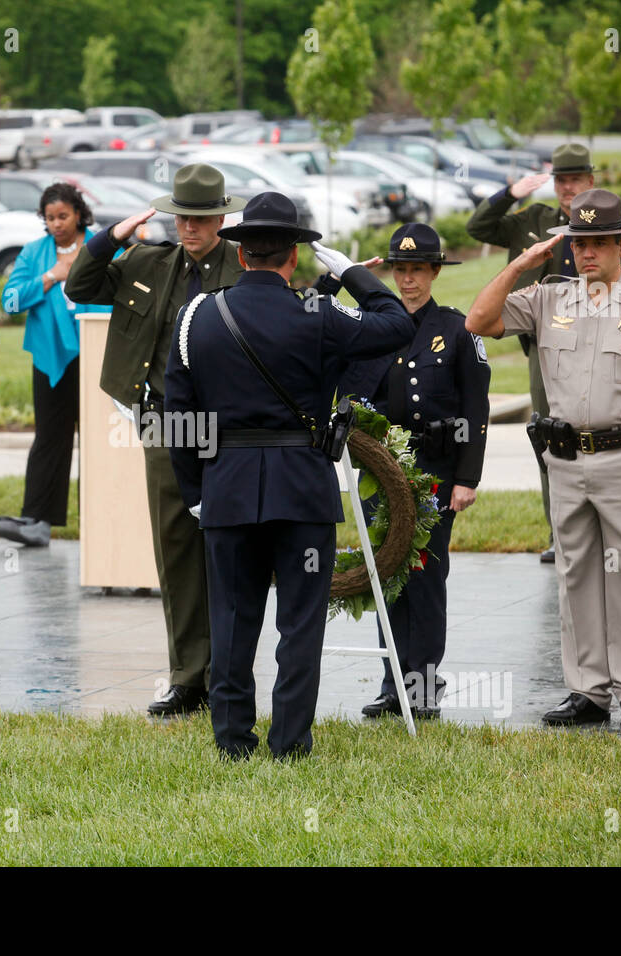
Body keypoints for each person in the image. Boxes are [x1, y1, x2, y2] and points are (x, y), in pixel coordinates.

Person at [165, 192, 414, 759]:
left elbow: (176, 418)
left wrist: (197, 494)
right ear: (295, 255)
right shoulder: (318, 313)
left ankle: (231, 742)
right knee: (300, 623)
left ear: (242, 252)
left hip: (226, 488)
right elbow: (396, 323)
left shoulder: (196, 315)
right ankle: (290, 744)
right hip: (301, 489)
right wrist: (348, 270)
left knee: (230, 618)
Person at [466, 188, 621, 730]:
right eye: (577, 242)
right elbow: (478, 320)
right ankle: (588, 691)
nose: (586, 252)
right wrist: (523, 262)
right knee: (575, 577)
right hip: (566, 461)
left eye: (598, 242)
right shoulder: (548, 298)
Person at [65, 164, 245, 717]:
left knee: (229, 550)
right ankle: (187, 675)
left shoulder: (242, 273)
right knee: (176, 549)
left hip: (228, 427)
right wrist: (114, 235)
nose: (189, 228)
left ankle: (227, 676)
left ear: (220, 218)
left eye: (200, 218)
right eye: (181, 217)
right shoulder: (147, 261)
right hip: (167, 424)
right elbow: (80, 285)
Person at [467, 144, 621, 563]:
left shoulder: (616, 232)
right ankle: (559, 531)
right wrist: (511, 192)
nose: (568, 187)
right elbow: (478, 227)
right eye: (561, 180)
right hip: (546, 348)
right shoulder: (534, 221)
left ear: (591, 181)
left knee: (606, 431)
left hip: (604, 348)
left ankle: (608, 525)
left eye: (576, 179)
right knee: (550, 435)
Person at [335, 223, 490, 720]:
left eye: (418, 270)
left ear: (435, 271)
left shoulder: (457, 329)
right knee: (387, 576)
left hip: (434, 470)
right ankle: (392, 683)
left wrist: (467, 478)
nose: (408, 281)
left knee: (425, 577)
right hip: (382, 472)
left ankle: (421, 684)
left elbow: (475, 409)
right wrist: (344, 277)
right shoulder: (370, 326)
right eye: (400, 271)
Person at [0, 183, 111, 548]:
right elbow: (11, 301)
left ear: (79, 214)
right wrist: (51, 276)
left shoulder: (102, 248)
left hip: (100, 357)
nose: (57, 224)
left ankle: (105, 520)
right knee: (49, 439)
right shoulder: (34, 253)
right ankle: (37, 522)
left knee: (101, 443)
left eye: (63, 216)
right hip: (51, 359)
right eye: (50, 217)